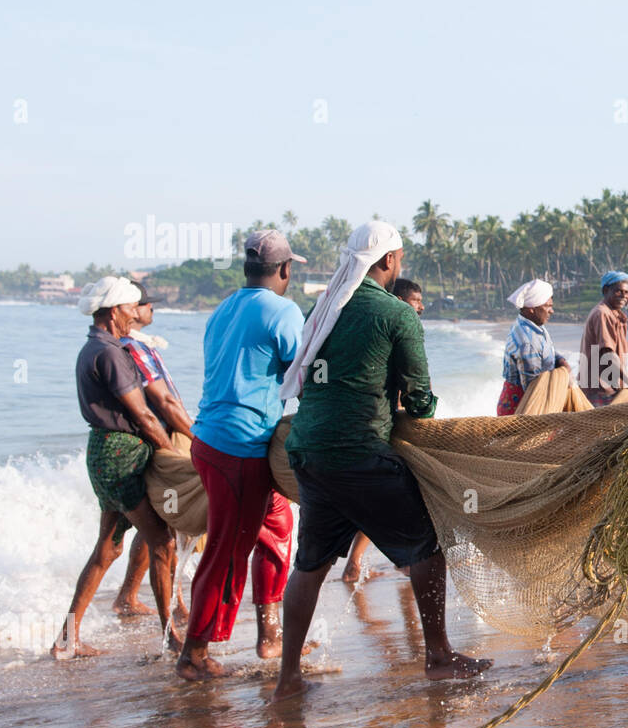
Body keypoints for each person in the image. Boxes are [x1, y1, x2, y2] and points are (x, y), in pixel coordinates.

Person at [273, 221, 490, 700]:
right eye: (400, 258)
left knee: (309, 565)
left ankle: (288, 678)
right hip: (361, 453)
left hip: (309, 452)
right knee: (427, 547)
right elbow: (418, 397)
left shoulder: (325, 305)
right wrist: (419, 419)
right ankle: (437, 657)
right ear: (389, 261)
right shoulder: (396, 314)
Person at [176, 230, 306, 681]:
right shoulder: (283, 311)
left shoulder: (224, 308)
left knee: (278, 527)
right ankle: (194, 653)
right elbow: (303, 373)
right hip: (241, 450)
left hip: (210, 441)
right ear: (285, 270)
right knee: (227, 552)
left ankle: (270, 636)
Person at [55, 277, 181, 659]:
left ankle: (66, 639)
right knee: (162, 541)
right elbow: (143, 414)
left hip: (104, 452)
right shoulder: (110, 353)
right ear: (115, 311)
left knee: (107, 550)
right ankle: (170, 636)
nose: (134, 316)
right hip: (121, 455)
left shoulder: (93, 347)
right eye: (130, 309)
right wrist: (175, 456)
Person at [112, 283, 193, 617]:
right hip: (159, 439)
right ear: (132, 309)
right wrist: (195, 436)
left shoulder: (131, 345)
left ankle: (130, 597)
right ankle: (170, 603)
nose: (151, 310)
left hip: (147, 440)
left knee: (149, 527)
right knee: (165, 525)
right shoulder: (133, 346)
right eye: (147, 305)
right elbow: (163, 400)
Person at [341, 277, 426, 584]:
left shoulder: (388, 326)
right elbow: (411, 386)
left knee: (382, 500)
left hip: (381, 425)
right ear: (402, 301)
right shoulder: (397, 326)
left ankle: (385, 560)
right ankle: (376, 561)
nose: (421, 306)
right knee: (386, 498)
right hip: (386, 429)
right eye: (416, 301)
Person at [497, 278, 568, 415]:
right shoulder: (527, 342)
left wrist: (561, 361)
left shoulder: (533, 326)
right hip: (522, 406)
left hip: (520, 399)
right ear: (531, 309)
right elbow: (533, 387)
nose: (551, 311)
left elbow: (547, 349)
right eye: (547, 306)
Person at [579, 271, 628, 405]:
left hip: (610, 386)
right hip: (601, 388)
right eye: (618, 291)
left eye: (627, 292)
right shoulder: (603, 313)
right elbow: (608, 354)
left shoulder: (615, 314)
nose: (624, 296)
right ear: (606, 290)